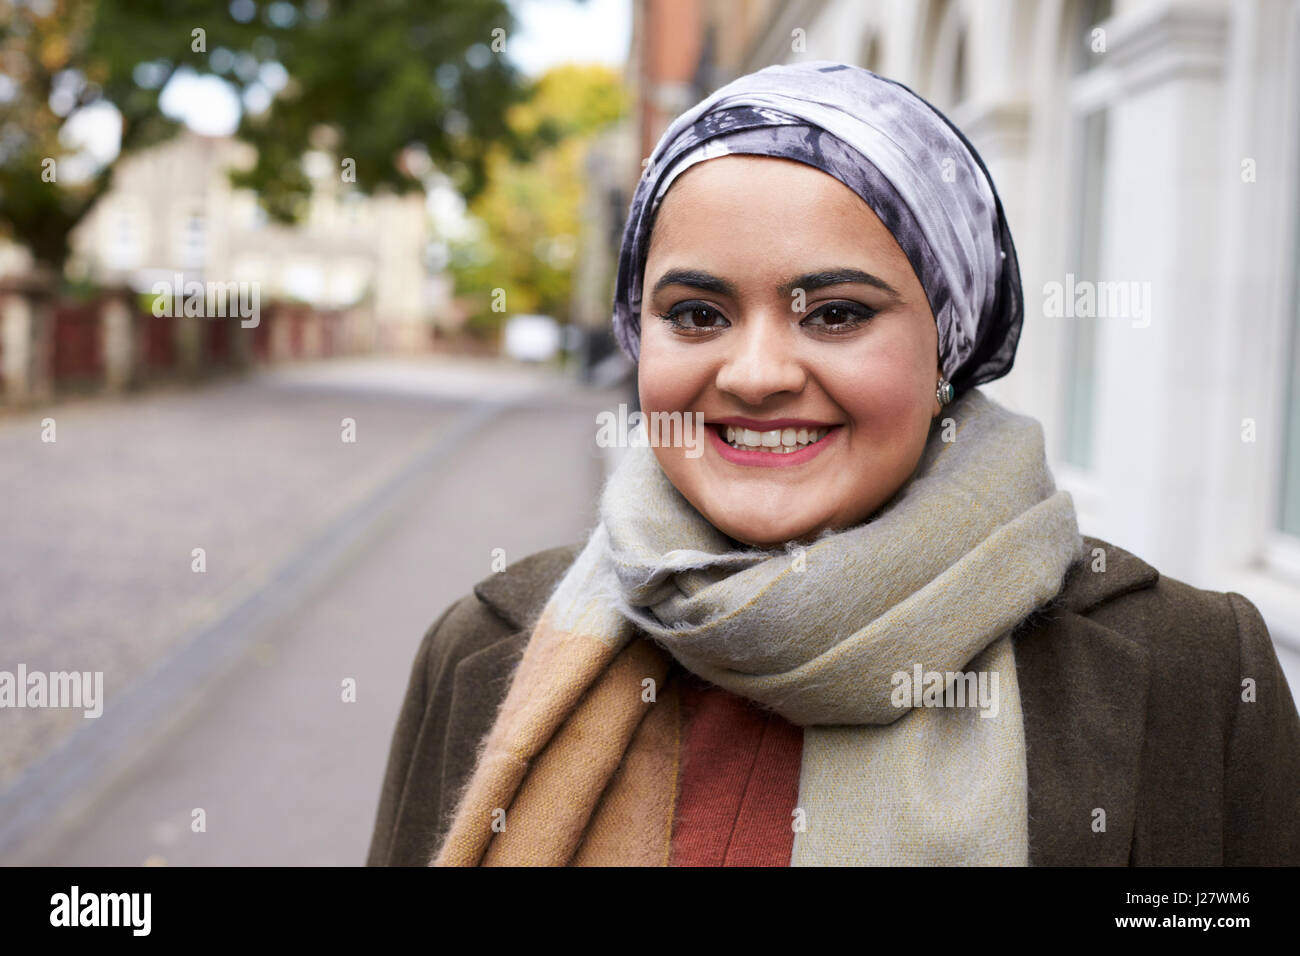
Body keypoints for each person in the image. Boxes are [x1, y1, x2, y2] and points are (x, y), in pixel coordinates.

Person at [367, 61, 1300, 866]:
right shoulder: (485, 651)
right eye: (697, 314)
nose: (759, 374)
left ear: (946, 347)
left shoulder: (1188, 673)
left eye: (837, 313)